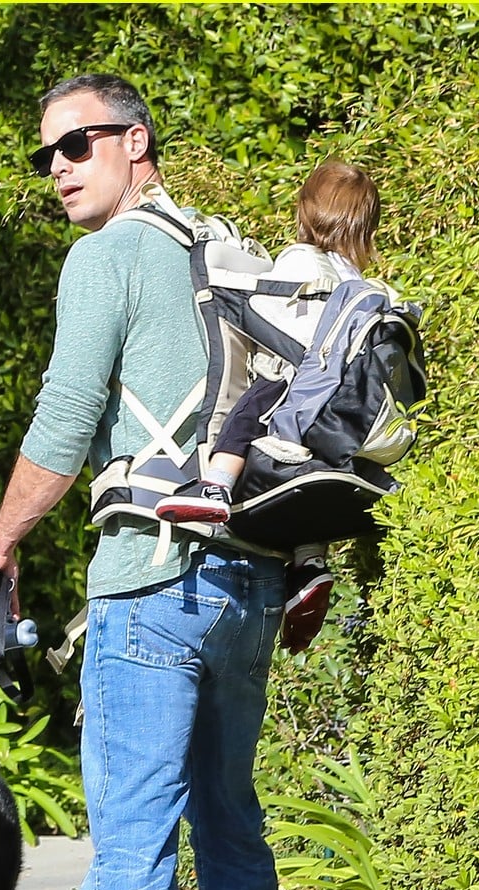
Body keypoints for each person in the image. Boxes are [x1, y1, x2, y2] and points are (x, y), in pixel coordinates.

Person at [0, 74, 295, 890]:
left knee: (131, 848)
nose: (57, 169)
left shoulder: (107, 257)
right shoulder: (224, 249)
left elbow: (67, 414)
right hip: (247, 582)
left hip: (150, 584)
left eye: (77, 145)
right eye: (45, 156)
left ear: (135, 142)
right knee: (232, 834)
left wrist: (2, 542)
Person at [155, 161, 382, 636]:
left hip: (291, 383)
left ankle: (214, 488)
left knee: (240, 421)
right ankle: (309, 562)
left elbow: (265, 311)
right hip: (340, 407)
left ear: (304, 212)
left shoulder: (300, 260)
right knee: (307, 480)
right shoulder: (361, 279)